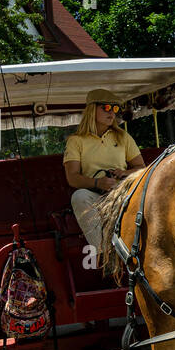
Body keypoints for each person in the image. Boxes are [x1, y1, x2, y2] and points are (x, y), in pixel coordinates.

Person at [62, 89, 145, 251]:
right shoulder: (76, 141)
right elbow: (72, 178)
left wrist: (124, 173)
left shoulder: (123, 136)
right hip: (95, 195)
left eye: (115, 109)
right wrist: (98, 183)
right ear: (92, 109)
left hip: (122, 191)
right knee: (79, 197)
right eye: (106, 108)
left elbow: (142, 167)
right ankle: (106, 253)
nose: (112, 113)